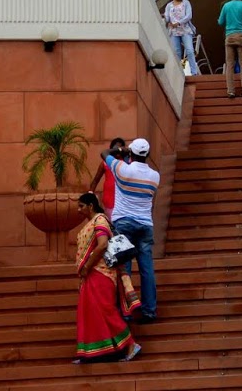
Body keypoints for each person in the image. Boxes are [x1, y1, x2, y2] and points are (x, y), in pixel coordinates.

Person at [70, 192, 143, 363]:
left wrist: (87, 266)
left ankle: (132, 344)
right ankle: (88, 353)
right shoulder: (91, 223)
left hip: (102, 273)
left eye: (81, 206)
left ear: (91, 206)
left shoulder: (100, 220)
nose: (79, 210)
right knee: (89, 313)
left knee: (106, 310)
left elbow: (102, 245)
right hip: (92, 275)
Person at [106, 137, 161, 321]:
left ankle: (126, 311)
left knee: (125, 269)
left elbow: (104, 154)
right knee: (147, 269)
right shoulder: (155, 176)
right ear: (148, 154)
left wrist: (120, 152)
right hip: (145, 225)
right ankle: (149, 310)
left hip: (124, 224)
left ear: (131, 153)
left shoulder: (122, 169)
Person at [162, 0, 197, 76]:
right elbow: (167, 17)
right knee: (177, 52)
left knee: (189, 50)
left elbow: (189, 16)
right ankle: (179, 73)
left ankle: (194, 72)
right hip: (174, 32)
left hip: (185, 30)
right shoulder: (169, 5)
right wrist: (164, 18)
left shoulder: (186, 3)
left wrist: (178, 23)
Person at [88, 136, 126, 211]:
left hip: (123, 201)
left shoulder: (127, 163)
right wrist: (90, 194)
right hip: (109, 199)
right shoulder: (105, 163)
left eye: (120, 149)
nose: (118, 151)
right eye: (116, 149)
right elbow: (95, 180)